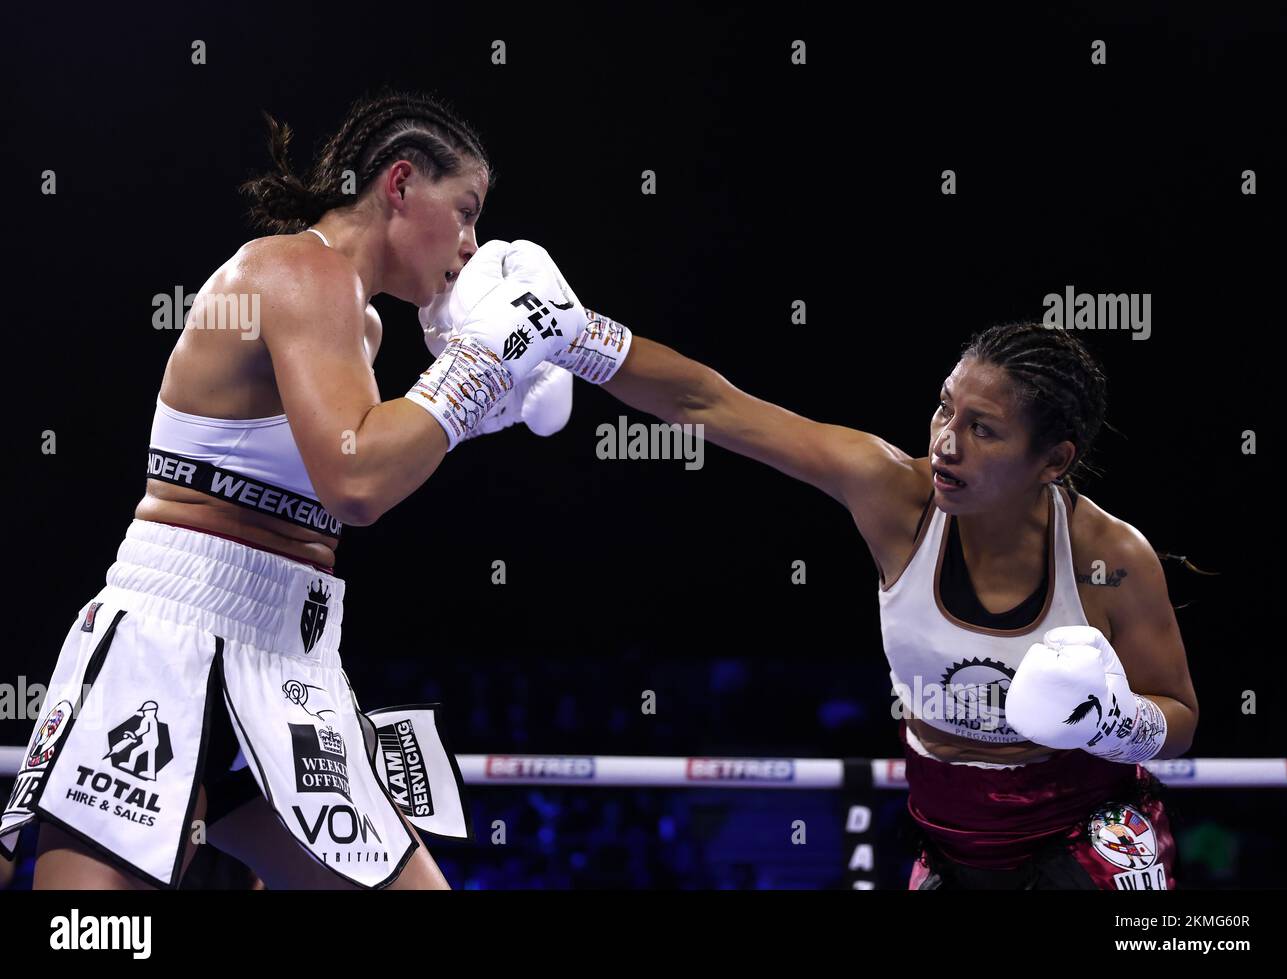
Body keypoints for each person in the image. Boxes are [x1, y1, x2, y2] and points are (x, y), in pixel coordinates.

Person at [453, 254, 1196, 889]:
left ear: (1054, 460)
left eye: (983, 428)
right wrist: (578, 336)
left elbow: (1179, 717)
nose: (946, 441)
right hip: (947, 835)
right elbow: (711, 403)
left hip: (1086, 830)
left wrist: (1115, 720)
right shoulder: (893, 496)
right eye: (945, 407)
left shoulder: (1111, 557)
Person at [0, 91, 585, 889]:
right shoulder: (295, 271)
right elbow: (356, 482)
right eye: (466, 211)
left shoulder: (361, 325)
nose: (471, 244)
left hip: (285, 657)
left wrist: (476, 407)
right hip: (177, 637)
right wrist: (475, 372)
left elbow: (357, 470)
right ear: (401, 184)